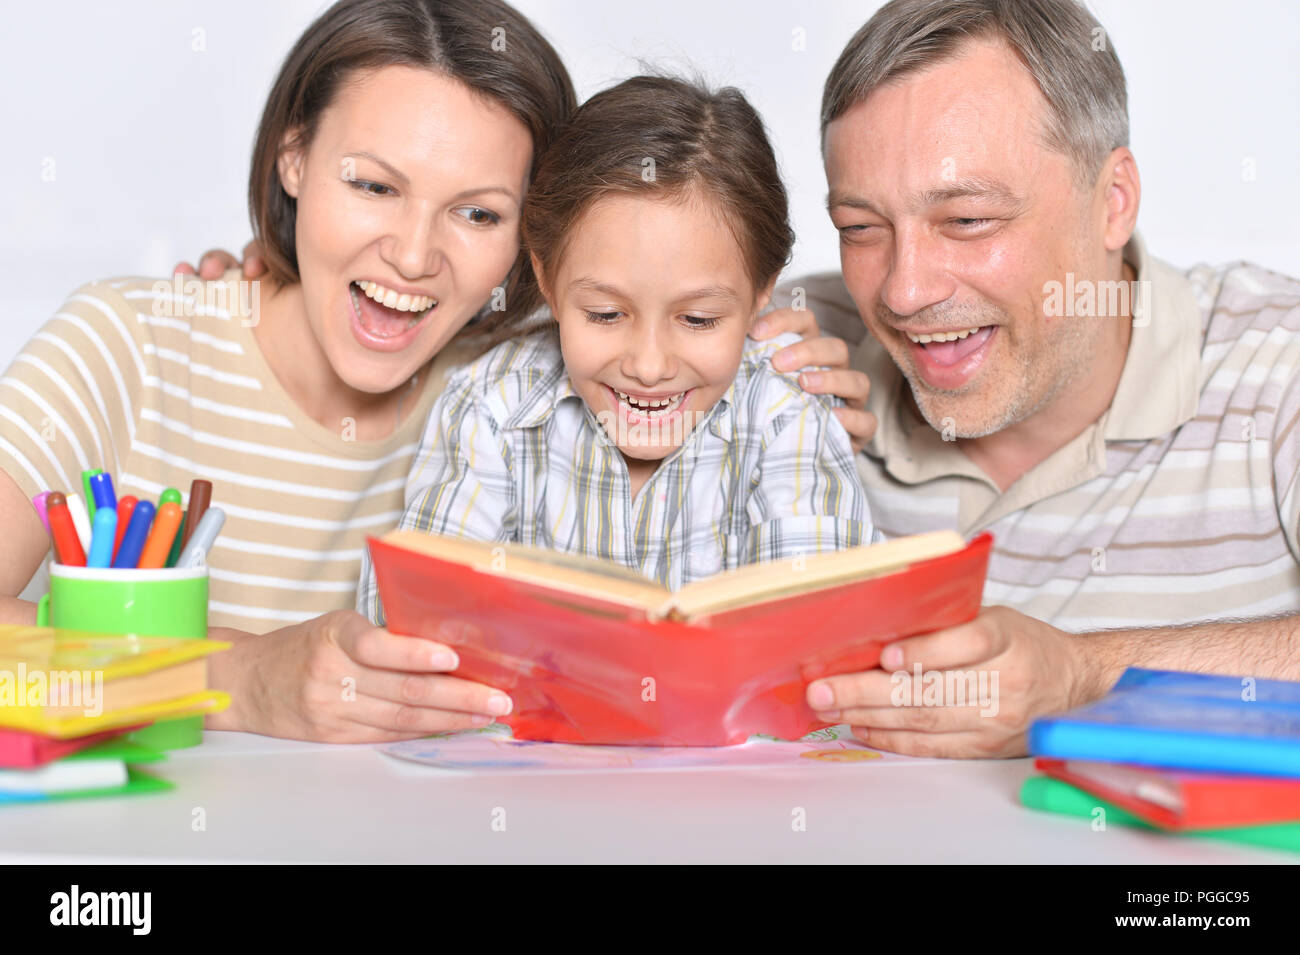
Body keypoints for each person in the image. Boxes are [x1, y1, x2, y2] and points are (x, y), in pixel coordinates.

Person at [3, 0, 873, 742]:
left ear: (531, 240)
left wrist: (776, 356)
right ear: (294, 158)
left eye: (476, 211)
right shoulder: (126, 344)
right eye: (373, 186)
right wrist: (238, 677)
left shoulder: (513, 385)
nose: (414, 255)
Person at [791, 0, 1300, 757]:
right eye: (862, 228)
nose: (902, 291)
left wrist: (1082, 677)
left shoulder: (1277, 368)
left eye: (967, 220)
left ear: (1112, 202)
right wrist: (711, 409)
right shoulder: (790, 352)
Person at [357, 75, 871, 623]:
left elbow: (815, 634)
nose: (648, 367)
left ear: (761, 293)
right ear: (547, 280)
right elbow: (412, 621)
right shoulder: (491, 406)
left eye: (698, 319)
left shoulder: (787, 406)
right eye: (605, 314)